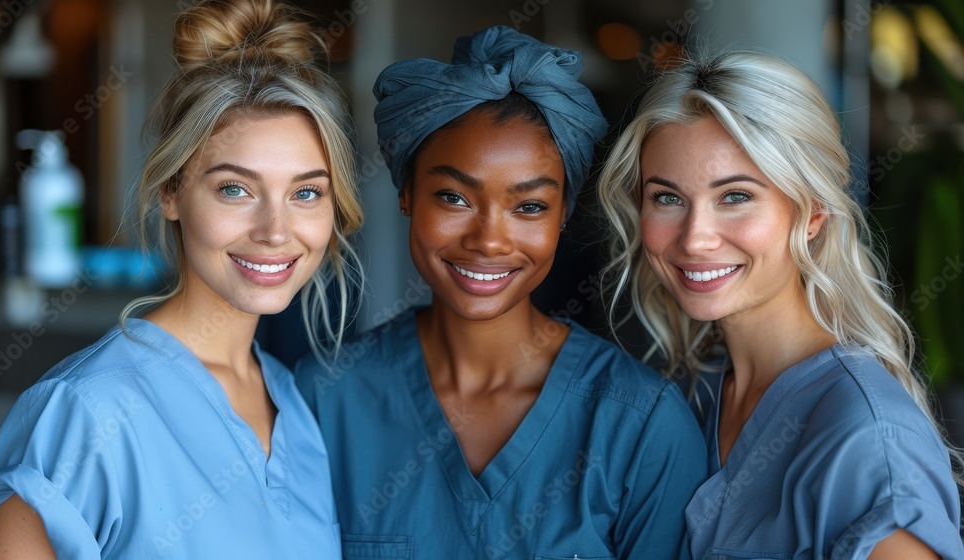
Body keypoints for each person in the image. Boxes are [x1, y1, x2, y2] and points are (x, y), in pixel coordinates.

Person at [295, 26, 708, 559]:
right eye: (453, 197)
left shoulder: (639, 423)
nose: (489, 240)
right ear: (406, 195)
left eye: (529, 206)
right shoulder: (324, 401)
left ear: (562, 215)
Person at [0, 0, 362, 557]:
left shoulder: (293, 405)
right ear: (172, 193)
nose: (276, 231)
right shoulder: (86, 411)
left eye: (306, 192)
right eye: (235, 188)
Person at [597, 50, 964, 559]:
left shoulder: (867, 440)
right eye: (667, 198)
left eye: (736, 196)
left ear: (812, 213)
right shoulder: (693, 391)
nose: (695, 238)